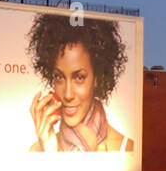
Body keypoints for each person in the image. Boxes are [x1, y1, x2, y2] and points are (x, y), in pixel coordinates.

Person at [26, 14, 133, 152]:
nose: (68, 94)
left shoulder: (125, 149)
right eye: (59, 77)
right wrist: (49, 153)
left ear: (97, 78)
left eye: (79, 78)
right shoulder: (38, 149)